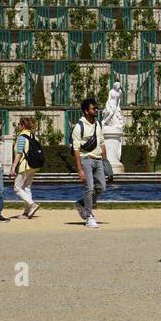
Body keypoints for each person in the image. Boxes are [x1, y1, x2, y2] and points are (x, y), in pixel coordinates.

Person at [72, 97, 109, 228]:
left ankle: (81, 203)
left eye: (96, 108)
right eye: (94, 108)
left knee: (102, 187)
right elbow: (76, 149)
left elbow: (102, 142)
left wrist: (105, 161)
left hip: (98, 160)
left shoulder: (98, 124)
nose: (96, 110)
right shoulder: (79, 127)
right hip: (85, 159)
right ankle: (89, 216)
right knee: (89, 187)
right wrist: (79, 169)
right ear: (86, 111)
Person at [10, 116, 41, 218]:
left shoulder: (21, 137)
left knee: (17, 188)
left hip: (24, 165)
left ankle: (32, 204)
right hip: (34, 165)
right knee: (26, 187)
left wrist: (13, 168)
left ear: (23, 125)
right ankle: (27, 212)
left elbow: (19, 153)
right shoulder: (33, 136)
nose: (18, 126)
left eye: (19, 124)